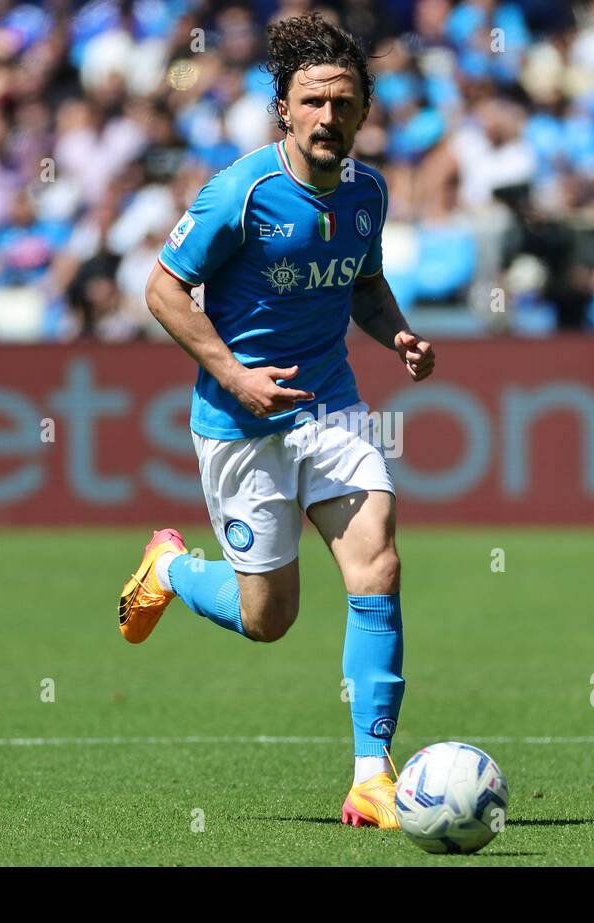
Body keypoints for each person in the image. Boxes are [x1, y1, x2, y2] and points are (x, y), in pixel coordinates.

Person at [118, 13, 435, 830]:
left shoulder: (369, 192)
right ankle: (170, 570)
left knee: (379, 566)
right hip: (239, 424)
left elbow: (363, 284)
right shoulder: (241, 191)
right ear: (283, 111)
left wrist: (393, 330)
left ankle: (371, 775)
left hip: (330, 407)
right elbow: (161, 288)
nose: (330, 117)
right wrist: (233, 374)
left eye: (345, 102)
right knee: (270, 620)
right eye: (313, 102)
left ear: (365, 109)